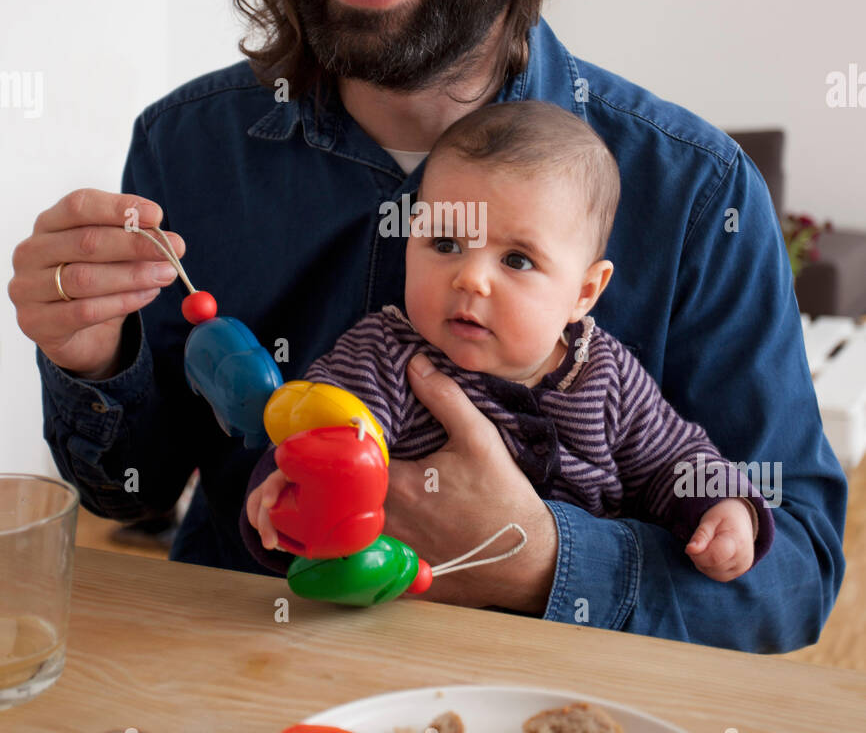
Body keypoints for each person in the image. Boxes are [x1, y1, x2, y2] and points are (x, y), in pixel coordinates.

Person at [6, 0, 845, 649]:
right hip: (238, 700)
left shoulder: (696, 190)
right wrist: (96, 359)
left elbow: (791, 574)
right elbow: (129, 488)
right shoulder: (187, 146)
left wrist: (541, 562)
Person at [243, 100, 776, 585]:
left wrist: (724, 506)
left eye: (517, 260)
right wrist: (286, 490)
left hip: (568, 633)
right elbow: (330, 430)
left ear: (584, 293)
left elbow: (672, 459)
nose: (471, 279)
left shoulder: (607, 376)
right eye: (446, 243)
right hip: (407, 624)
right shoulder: (385, 354)